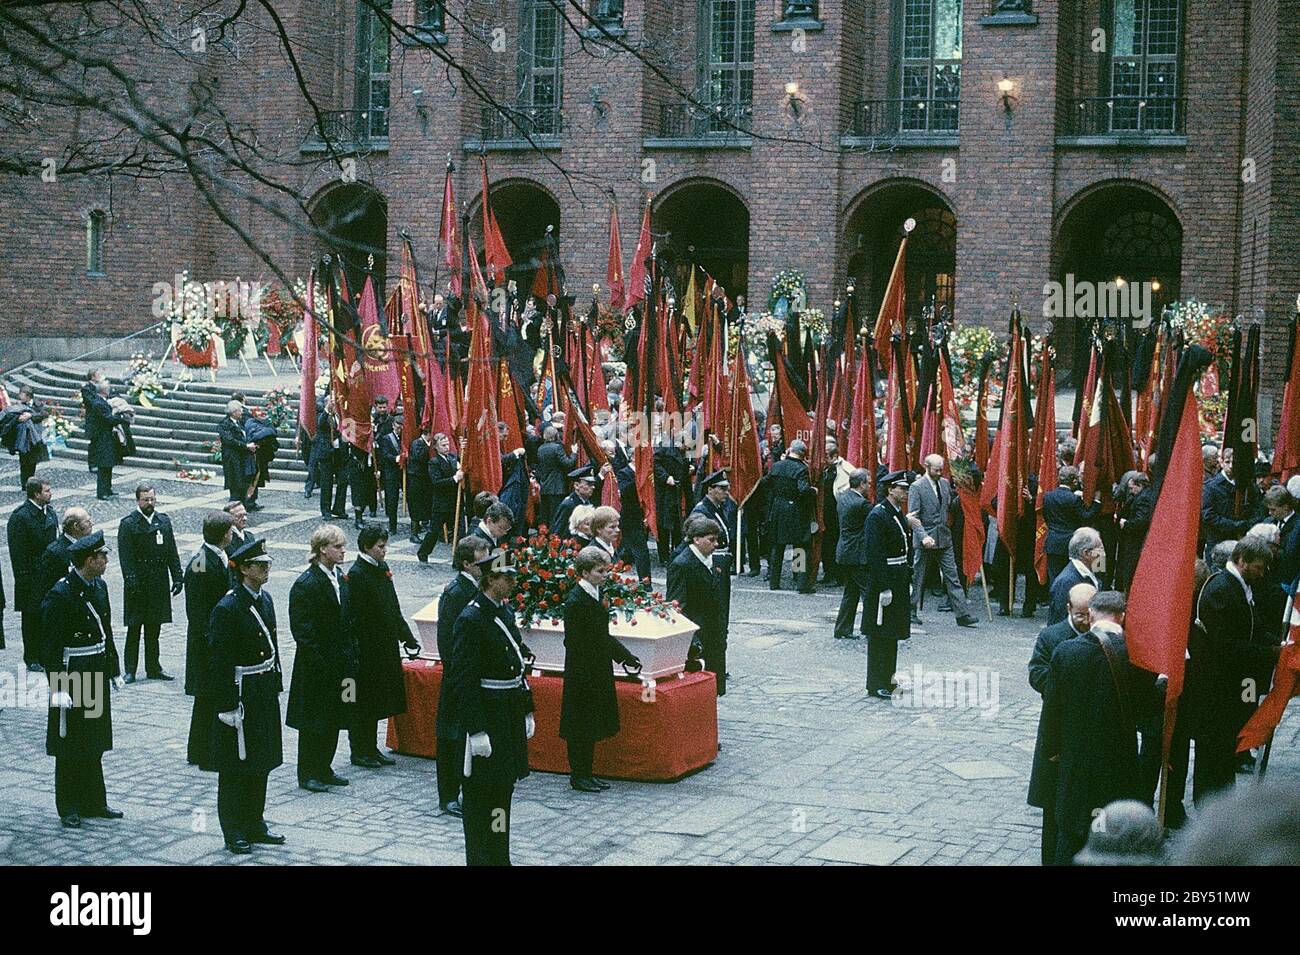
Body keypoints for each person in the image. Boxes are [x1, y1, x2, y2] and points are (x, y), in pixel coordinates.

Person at [1039, 590, 1163, 865]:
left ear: (1092, 614)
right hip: (1117, 761)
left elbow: (1052, 710)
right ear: (1122, 616)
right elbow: (1146, 710)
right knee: (1111, 836)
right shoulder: (1137, 655)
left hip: (1075, 761)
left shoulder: (1066, 652)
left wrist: (1052, 750)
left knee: (1071, 834)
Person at [444, 550, 536, 866]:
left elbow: (516, 666)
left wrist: (526, 708)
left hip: (507, 712)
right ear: (491, 579)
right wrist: (476, 729)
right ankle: (480, 858)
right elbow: (464, 680)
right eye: (507, 578)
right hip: (487, 715)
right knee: (480, 796)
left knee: (502, 790)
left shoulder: (500, 612)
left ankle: (499, 855)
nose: (513, 583)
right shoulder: (471, 619)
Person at [1183, 536, 1282, 804]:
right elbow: (1224, 645)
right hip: (1214, 688)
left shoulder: (1238, 587)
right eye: (1259, 567)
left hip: (1229, 686)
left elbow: (1253, 627)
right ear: (1242, 561)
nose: (1262, 574)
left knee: (1226, 748)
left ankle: (1223, 801)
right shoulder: (1221, 590)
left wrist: (1279, 643)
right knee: (1213, 749)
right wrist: (1271, 653)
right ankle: (1208, 805)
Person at [206, 537, 286, 854]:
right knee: (235, 765)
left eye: (267, 564)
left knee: (260, 759)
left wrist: (275, 682)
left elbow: (273, 645)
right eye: (260, 565)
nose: (266, 569)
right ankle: (234, 829)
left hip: (262, 689)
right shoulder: (228, 608)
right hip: (240, 693)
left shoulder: (264, 600)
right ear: (244, 569)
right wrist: (226, 706)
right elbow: (218, 661)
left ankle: (255, 821)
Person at [40, 530, 123, 829]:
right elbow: (49, 647)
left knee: (94, 739)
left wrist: (113, 669)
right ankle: (69, 805)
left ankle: (94, 800)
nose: (106, 560)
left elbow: (106, 630)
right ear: (90, 560)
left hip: (96, 669)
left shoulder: (98, 586)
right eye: (102, 556)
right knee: (71, 742)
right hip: (73, 673)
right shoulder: (60, 593)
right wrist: (58, 686)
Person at [560, 547, 641, 792]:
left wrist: (624, 657)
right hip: (582, 670)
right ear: (585, 573)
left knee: (591, 722)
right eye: (600, 571)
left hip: (595, 667)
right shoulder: (576, 601)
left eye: (606, 570)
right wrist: (618, 655)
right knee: (580, 724)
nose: (605, 575)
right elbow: (578, 640)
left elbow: (602, 635)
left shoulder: (595, 593)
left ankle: (587, 772)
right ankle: (579, 774)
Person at [1027, 581, 1097, 864]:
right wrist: (1063, 688)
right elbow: (1036, 673)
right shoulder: (1052, 636)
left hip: (1089, 730)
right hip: (1059, 726)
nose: (1084, 620)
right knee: (1054, 805)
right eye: (1079, 614)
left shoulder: (1099, 635)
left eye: (1088, 614)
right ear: (1068, 609)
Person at [287, 525, 359, 792]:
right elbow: (303, 632)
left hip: (341, 663)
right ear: (322, 550)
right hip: (316, 667)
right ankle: (308, 772)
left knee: (333, 717)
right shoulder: (306, 584)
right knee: (313, 721)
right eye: (338, 547)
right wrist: (321, 663)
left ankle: (324, 767)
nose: (343, 551)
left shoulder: (340, 578)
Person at [346, 525, 420, 767]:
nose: (385, 551)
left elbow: (393, 607)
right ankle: (360, 749)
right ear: (367, 547)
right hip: (367, 650)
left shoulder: (382, 569)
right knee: (363, 702)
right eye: (380, 546)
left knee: (377, 700)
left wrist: (407, 637)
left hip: (385, 647)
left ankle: (371, 748)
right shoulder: (357, 574)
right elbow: (353, 617)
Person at [435, 537, 489, 817]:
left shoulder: (478, 588)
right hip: (458, 677)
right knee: (451, 738)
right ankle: (448, 795)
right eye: (482, 560)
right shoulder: (456, 592)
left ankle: (467, 789)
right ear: (467, 563)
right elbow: (447, 639)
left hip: (474, 676)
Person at [117, 484, 184, 683]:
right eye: (146, 499)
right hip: (138, 583)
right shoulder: (128, 524)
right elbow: (125, 556)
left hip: (158, 582)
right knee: (134, 628)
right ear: (138, 500)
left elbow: (171, 550)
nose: (149, 503)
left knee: (154, 628)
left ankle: (153, 667)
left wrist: (177, 576)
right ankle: (130, 669)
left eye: (152, 499)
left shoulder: (163, 521)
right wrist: (131, 581)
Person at [185, 511, 235, 770]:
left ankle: (200, 750)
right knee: (205, 698)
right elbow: (197, 610)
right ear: (224, 534)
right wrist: (210, 640)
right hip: (205, 642)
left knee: (208, 698)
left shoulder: (217, 557)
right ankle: (203, 754)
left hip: (214, 638)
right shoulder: (201, 562)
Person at [908, 454, 978, 628]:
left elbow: (948, 507)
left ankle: (962, 614)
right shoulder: (917, 487)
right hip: (926, 538)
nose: (939, 473)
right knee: (918, 576)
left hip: (944, 538)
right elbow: (912, 517)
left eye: (941, 469)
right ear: (926, 466)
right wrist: (923, 536)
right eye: (936, 470)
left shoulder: (945, 484)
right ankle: (910, 611)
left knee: (953, 577)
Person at [863, 471, 915, 699]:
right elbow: (875, 555)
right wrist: (884, 586)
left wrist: (908, 577)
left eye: (906, 489)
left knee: (892, 633)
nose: (905, 492)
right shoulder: (878, 515)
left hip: (898, 577)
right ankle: (876, 683)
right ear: (890, 489)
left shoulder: (896, 514)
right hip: (884, 580)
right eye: (901, 488)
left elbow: (905, 548)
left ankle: (888, 678)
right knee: (879, 635)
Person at [667, 516, 728, 695]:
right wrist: (691, 638)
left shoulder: (713, 561)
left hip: (714, 632)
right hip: (697, 636)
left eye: (717, 539)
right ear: (696, 539)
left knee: (713, 684)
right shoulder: (682, 564)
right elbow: (677, 605)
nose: (716, 544)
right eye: (711, 540)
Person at [8, 476, 57, 671]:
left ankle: (45, 654)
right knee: (31, 618)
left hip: (49, 574)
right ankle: (32, 657)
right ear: (36, 494)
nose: (50, 493)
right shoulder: (20, 517)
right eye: (46, 491)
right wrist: (24, 579)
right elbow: (17, 553)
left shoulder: (50, 512)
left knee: (47, 615)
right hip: (31, 577)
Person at [767, 439, 817, 594]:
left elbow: (766, 483)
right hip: (796, 510)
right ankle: (801, 582)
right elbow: (802, 490)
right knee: (800, 546)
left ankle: (774, 582)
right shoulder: (801, 469)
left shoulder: (776, 466)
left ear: (790, 450)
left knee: (778, 545)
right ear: (803, 454)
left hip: (778, 509)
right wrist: (813, 491)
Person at [1041, 466, 1103, 587]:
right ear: (1074, 481)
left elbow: (1046, 517)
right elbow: (1086, 517)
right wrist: (1096, 502)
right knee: (1071, 579)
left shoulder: (1047, 496)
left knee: (1054, 579)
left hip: (1052, 542)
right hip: (1070, 544)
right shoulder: (1074, 499)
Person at [1202, 447, 1265, 556]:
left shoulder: (1248, 486)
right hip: (1219, 542)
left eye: (1234, 462)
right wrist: (1234, 525)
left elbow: (1258, 509)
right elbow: (1208, 515)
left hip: (1244, 540)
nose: (1231, 466)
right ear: (1221, 462)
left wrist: (1247, 524)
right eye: (1227, 462)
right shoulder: (1210, 487)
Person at [832, 468, 871, 640]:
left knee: (851, 592)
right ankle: (871, 630)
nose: (869, 485)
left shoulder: (842, 497)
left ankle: (842, 629)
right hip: (857, 554)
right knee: (868, 593)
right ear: (862, 484)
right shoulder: (861, 504)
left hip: (845, 551)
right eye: (868, 482)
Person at [36, 507, 94, 623]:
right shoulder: (55, 552)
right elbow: (47, 589)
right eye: (87, 521)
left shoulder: (88, 545)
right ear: (76, 526)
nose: (91, 524)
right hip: (66, 613)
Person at [417, 433, 464, 562]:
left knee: (459, 531)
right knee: (434, 531)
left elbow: (464, 459)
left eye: (448, 444)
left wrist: (463, 447)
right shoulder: (434, 462)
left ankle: (460, 558)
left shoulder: (453, 457)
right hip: (442, 504)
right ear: (436, 447)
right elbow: (437, 482)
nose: (447, 447)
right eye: (443, 445)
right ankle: (423, 553)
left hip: (455, 502)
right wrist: (454, 478)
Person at [1046, 527, 1104, 625]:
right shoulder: (1066, 582)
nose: (1103, 554)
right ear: (1086, 553)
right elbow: (1061, 622)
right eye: (1101, 549)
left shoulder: (1094, 571)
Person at [85, 379, 130, 500]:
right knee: (103, 466)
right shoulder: (99, 403)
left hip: (107, 437)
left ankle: (108, 489)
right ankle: (102, 492)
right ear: (104, 390)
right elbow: (108, 419)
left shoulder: (102, 402)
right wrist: (121, 419)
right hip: (102, 438)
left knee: (108, 465)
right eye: (108, 388)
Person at [0, 384, 50, 486]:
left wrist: (30, 415)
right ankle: (25, 484)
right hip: (23, 437)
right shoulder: (18, 405)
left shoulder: (37, 404)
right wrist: (18, 419)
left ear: (28, 396)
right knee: (23, 460)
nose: (20, 397)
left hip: (35, 436)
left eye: (22, 395)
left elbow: (43, 414)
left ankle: (30, 481)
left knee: (33, 461)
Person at [820, 437, 854, 586]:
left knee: (836, 543)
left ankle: (838, 575)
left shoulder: (846, 468)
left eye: (826, 455)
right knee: (825, 544)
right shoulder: (822, 468)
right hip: (824, 512)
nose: (824, 458)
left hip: (837, 512)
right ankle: (827, 573)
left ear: (834, 456)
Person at [653, 431, 690, 563]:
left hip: (677, 492)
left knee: (677, 524)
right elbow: (655, 463)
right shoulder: (664, 447)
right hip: (665, 492)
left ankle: (676, 553)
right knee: (663, 525)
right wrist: (665, 477)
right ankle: (663, 556)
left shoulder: (683, 453)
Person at [1114, 472, 1154, 592]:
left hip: (1136, 541)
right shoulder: (1141, 495)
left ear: (1140, 485)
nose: (1130, 491)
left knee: (1130, 569)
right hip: (1133, 540)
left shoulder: (1144, 498)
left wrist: (1126, 524)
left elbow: (1141, 521)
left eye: (1132, 488)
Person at [314, 395, 348, 518]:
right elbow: (321, 424)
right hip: (327, 455)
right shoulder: (323, 415)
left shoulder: (340, 416)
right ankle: (326, 510)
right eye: (332, 403)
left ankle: (339, 508)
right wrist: (327, 410)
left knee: (343, 481)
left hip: (340, 454)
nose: (334, 405)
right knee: (326, 484)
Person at [219, 399, 256, 507]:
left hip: (242, 459)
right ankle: (232, 510)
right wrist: (246, 446)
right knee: (235, 487)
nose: (242, 412)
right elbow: (229, 441)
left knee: (243, 486)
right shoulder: (224, 425)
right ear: (234, 412)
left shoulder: (240, 422)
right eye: (240, 410)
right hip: (233, 461)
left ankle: (241, 508)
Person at [552, 466, 596, 547]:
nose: (593, 487)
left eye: (593, 484)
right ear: (576, 485)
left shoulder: (587, 503)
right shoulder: (568, 505)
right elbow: (558, 532)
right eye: (589, 484)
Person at [376, 412, 403, 534]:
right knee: (392, 500)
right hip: (391, 473)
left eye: (401, 425)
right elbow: (385, 454)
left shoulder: (405, 438)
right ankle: (393, 526)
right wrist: (396, 458)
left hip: (402, 473)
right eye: (398, 425)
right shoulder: (387, 438)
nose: (399, 428)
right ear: (393, 425)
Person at [405, 429, 433, 543]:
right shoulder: (417, 443)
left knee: (425, 505)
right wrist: (430, 449)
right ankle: (414, 533)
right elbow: (419, 457)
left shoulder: (425, 444)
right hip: (416, 480)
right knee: (415, 507)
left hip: (424, 481)